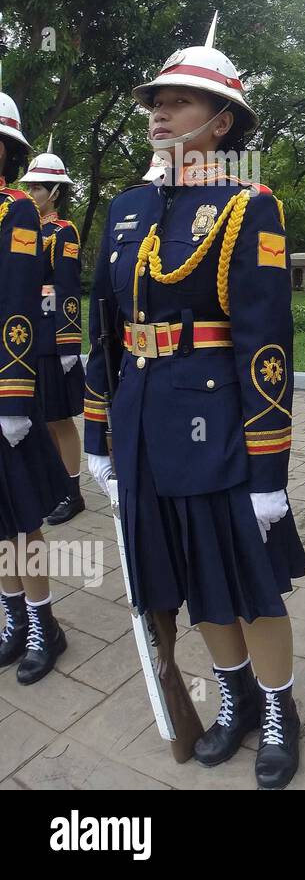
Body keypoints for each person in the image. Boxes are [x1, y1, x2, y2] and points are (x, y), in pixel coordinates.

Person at [83, 18, 305, 789]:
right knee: (188, 573)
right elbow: (102, 330)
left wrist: (271, 463)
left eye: (181, 102)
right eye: (157, 99)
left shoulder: (249, 207)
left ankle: (279, 705)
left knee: (245, 579)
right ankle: (236, 695)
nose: (159, 113)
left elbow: (266, 341)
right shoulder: (124, 211)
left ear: (221, 124)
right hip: (143, 420)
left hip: (215, 427)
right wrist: (98, 433)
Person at [0, 86, 70, 684]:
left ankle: (43, 621)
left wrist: (14, 396)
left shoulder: (16, 211)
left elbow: (19, 307)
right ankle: (11, 614)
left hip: (1, 386)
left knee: (22, 518)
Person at [19, 138, 86, 525]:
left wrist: (68, 341)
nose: (31, 193)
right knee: (41, 417)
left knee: (59, 419)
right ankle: (52, 482)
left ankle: (72, 491)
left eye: (39, 187)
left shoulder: (64, 233)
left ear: (56, 192)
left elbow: (68, 288)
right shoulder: (25, 226)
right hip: (28, 338)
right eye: (28, 186)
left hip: (52, 336)